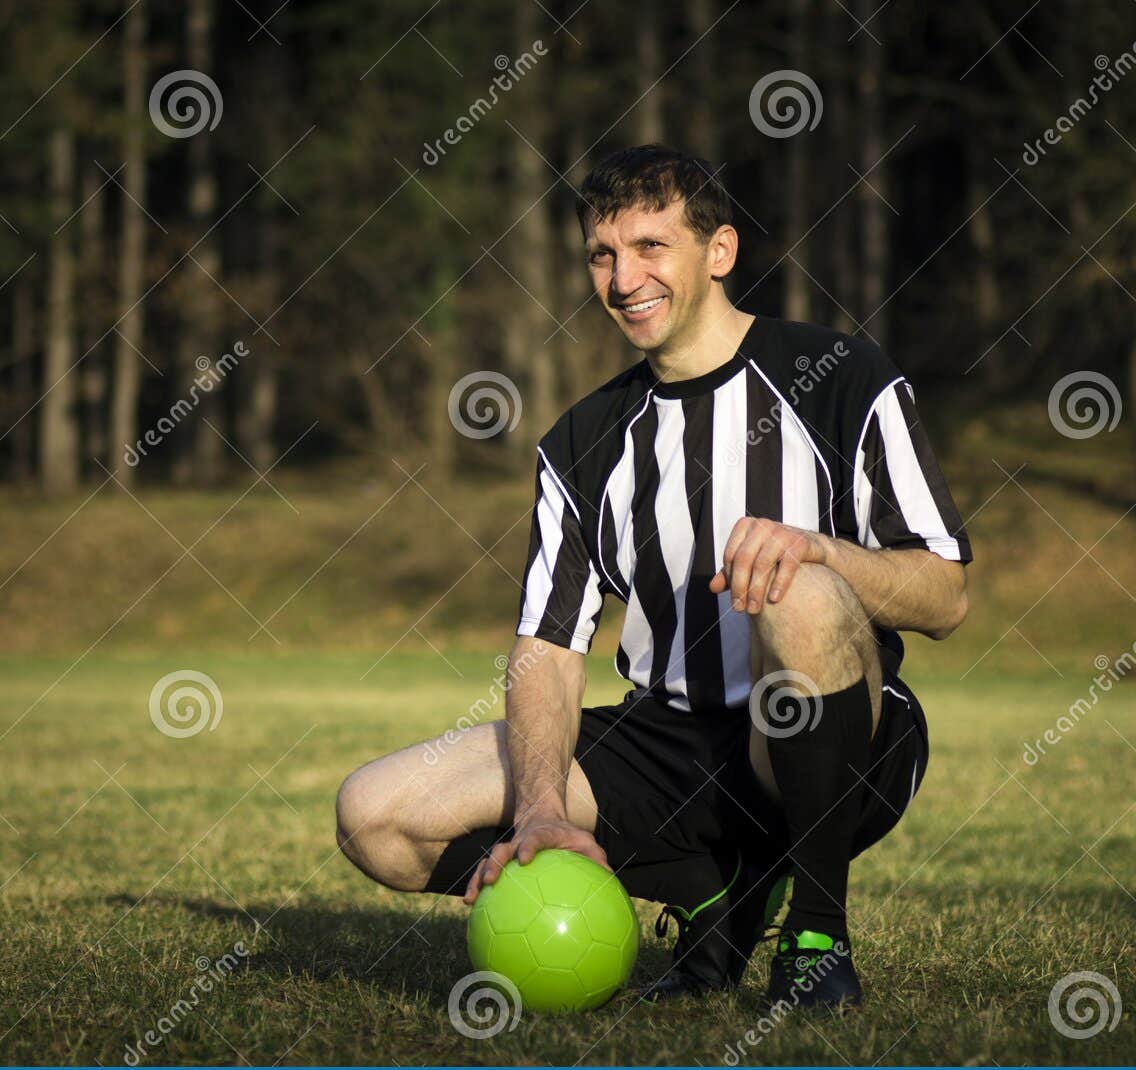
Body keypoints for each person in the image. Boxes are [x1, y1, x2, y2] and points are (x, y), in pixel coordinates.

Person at [335, 144, 971, 1008]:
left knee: (798, 585)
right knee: (375, 812)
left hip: (836, 736)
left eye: (650, 247)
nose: (623, 277)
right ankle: (712, 886)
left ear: (719, 251)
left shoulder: (841, 380)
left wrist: (824, 551)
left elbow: (946, 593)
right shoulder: (583, 440)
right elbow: (549, 647)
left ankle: (817, 932)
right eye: (603, 253)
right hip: (667, 741)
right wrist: (541, 805)